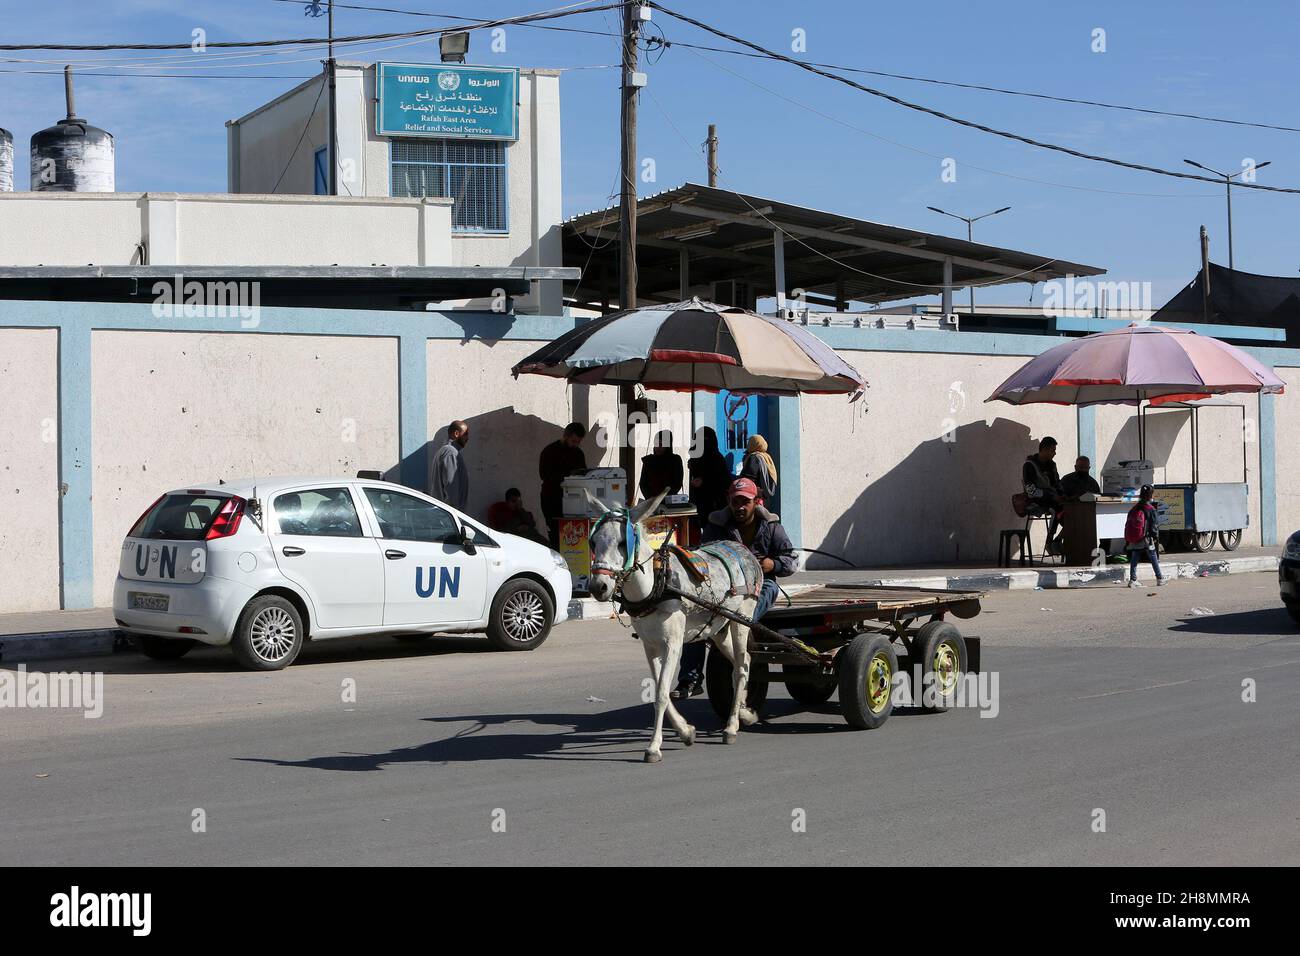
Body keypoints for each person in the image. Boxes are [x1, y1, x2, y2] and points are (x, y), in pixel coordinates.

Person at [672, 477, 797, 700]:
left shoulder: (771, 526)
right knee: (696, 622)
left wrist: (772, 564)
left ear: (756, 502)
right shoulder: (717, 525)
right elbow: (703, 555)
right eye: (735, 501)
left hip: (760, 584)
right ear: (729, 501)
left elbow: (791, 560)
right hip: (725, 586)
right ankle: (690, 679)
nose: (739, 506)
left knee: (767, 591)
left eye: (745, 502)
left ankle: (740, 624)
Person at [539, 422, 588, 549]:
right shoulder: (549, 452)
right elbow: (544, 475)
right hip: (552, 500)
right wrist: (567, 477)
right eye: (573, 441)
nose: (575, 445)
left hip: (574, 500)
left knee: (575, 535)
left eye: (578, 442)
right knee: (556, 535)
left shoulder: (578, 454)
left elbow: (584, 474)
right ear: (565, 436)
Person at [1022, 436, 1066, 554]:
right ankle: (1049, 541)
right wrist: (1051, 496)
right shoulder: (1029, 465)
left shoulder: (1051, 465)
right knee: (1056, 508)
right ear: (1044, 449)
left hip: (1054, 499)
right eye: (1053, 450)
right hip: (1037, 500)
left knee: (1073, 511)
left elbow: (1057, 483)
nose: (1055, 453)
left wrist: (1062, 494)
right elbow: (1031, 491)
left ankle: (1058, 539)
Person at [687, 426, 730, 539]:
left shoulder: (717, 459)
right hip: (697, 503)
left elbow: (723, 482)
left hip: (714, 505)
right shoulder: (695, 457)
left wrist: (704, 482)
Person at [1124, 484, 1166, 588]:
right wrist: (1155, 537)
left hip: (1135, 537)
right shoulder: (1150, 509)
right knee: (1153, 557)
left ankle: (1133, 579)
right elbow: (1154, 525)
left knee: (1135, 556)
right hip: (1147, 538)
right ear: (1151, 495)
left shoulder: (1134, 508)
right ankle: (1159, 578)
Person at [431, 420, 469, 510]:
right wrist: (454, 513)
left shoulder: (447, 451)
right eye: (466, 434)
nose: (467, 438)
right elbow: (451, 486)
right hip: (449, 515)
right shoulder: (450, 452)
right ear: (456, 433)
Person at [639, 430, 684, 499]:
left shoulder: (675, 460)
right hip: (651, 501)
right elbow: (643, 483)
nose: (658, 447)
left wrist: (664, 498)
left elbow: (677, 483)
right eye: (656, 443)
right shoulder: (649, 461)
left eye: (662, 444)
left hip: (669, 501)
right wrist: (650, 498)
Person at [740, 434, 778, 505]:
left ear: (753, 444)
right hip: (764, 496)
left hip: (754, 497)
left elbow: (749, 478)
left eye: (750, 442)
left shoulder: (754, 458)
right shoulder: (766, 457)